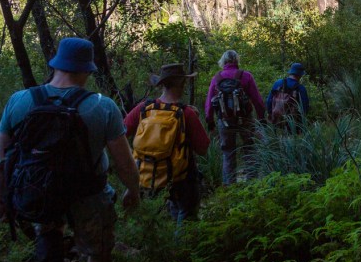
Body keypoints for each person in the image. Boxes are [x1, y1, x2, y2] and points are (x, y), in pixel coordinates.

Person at [0, 37, 140, 262]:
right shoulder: (102, 106)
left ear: (56, 65)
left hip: (40, 194)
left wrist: (0, 203)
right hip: (89, 196)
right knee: (98, 252)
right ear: (86, 70)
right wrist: (133, 190)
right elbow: (124, 163)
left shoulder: (19, 101)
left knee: (48, 238)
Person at [125, 64, 210, 222]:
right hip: (180, 178)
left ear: (162, 84)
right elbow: (203, 148)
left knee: (155, 219)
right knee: (186, 212)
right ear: (181, 83)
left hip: (147, 176)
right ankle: (182, 245)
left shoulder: (143, 109)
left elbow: (122, 132)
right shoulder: (187, 113)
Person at [204, 50, 265, 184]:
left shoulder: (217, 78)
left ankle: (229, 186)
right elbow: (257, 101)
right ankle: (252, 183)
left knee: (228, 152)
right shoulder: (246, 76)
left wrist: (210, 121)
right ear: (237, 60)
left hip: (224, 121)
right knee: (250, 148)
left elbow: (209, 102)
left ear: (223, 61)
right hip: (245, 119)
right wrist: (262, 118)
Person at [266, 62, 311, 131]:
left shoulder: (278, 83)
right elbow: (304, 108)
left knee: (277, 139)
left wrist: (270, 113)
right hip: (293, 124)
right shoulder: (301, 88)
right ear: (300, 75)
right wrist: (301, 123)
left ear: (290, 72)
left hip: (276, 119)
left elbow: (269, 100)